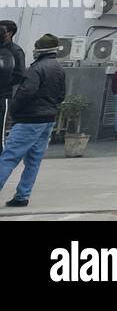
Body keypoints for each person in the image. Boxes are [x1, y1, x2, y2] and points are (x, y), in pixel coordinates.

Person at [0, 33, 66, 208]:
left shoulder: (36, 69)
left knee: (9, 157)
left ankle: (20, 195)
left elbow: (26, 92)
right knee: (34, 160)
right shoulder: (59, 69)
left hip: (29, 120)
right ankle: (23, 196)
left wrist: (13, 109)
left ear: (40, 50)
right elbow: (61, 95)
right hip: (48, 119)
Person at [0, 21, 26, 146]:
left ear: (9, 33)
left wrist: (4, 83)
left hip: (3, 96)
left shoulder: (16, 51)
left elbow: (19, 74)